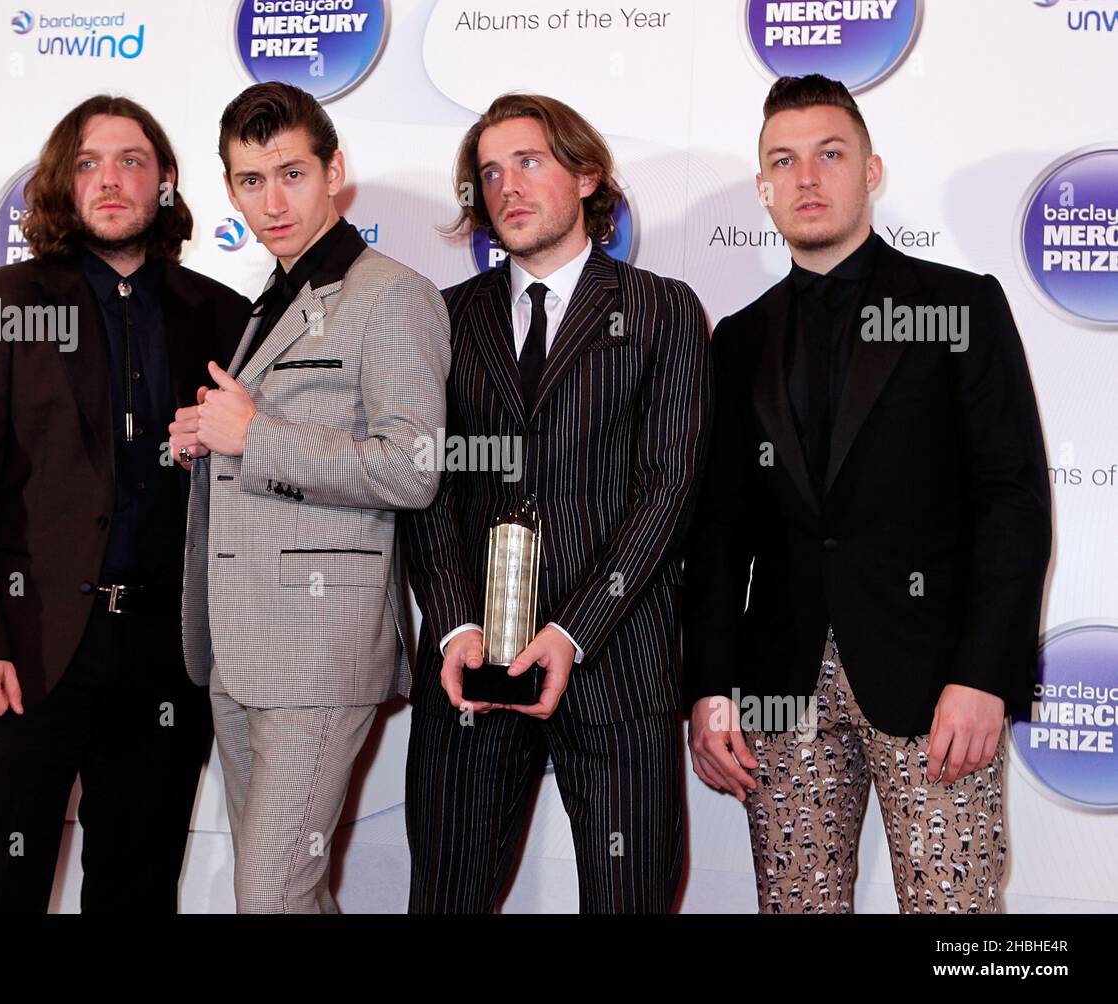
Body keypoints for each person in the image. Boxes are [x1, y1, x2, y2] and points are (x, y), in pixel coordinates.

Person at [684, 74, 1051, 914]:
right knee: (797, 907)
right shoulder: (739, 338)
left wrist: (985, 674)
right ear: (764, 187)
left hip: (936, 683)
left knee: (953, 915)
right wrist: (708, 687)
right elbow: (719, 529)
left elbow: (1013, 499)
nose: (807, 176)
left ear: (871, 170)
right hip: (779, 687)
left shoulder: (959, 305)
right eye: (785, 159)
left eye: (829, 154)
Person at [0, 94, 251, 913]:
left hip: (167, 654)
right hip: (27, 647)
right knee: (0, 887)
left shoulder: (224, 314)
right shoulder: (2, 298)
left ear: (167, 183)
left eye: (132, 161)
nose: (110, 180)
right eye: (87, 163)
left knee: (138, 891)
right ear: (62, 187)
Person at [402, 93, 711, 913]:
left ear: (587, 176)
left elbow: (669, 487)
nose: (506, 186)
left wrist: (574, 629)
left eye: (529, 162)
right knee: (445, 899)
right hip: (469, 668)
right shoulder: (443, 317)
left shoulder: (662, 309)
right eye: (490, 172)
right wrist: (456, 621)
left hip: (616, 665)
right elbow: (422, 485)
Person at [170, 82, 450, 913]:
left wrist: (254, 435)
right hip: (236, 648)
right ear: (228, 190)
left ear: (335, 171)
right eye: (251, 181)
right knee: (295, 896)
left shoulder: (394, 295)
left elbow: (414, 467)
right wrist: (201, 441)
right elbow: (256, 448)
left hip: (319, 656)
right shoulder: (268, 298)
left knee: (270, 898)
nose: (273, 200)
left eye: (291, 173)